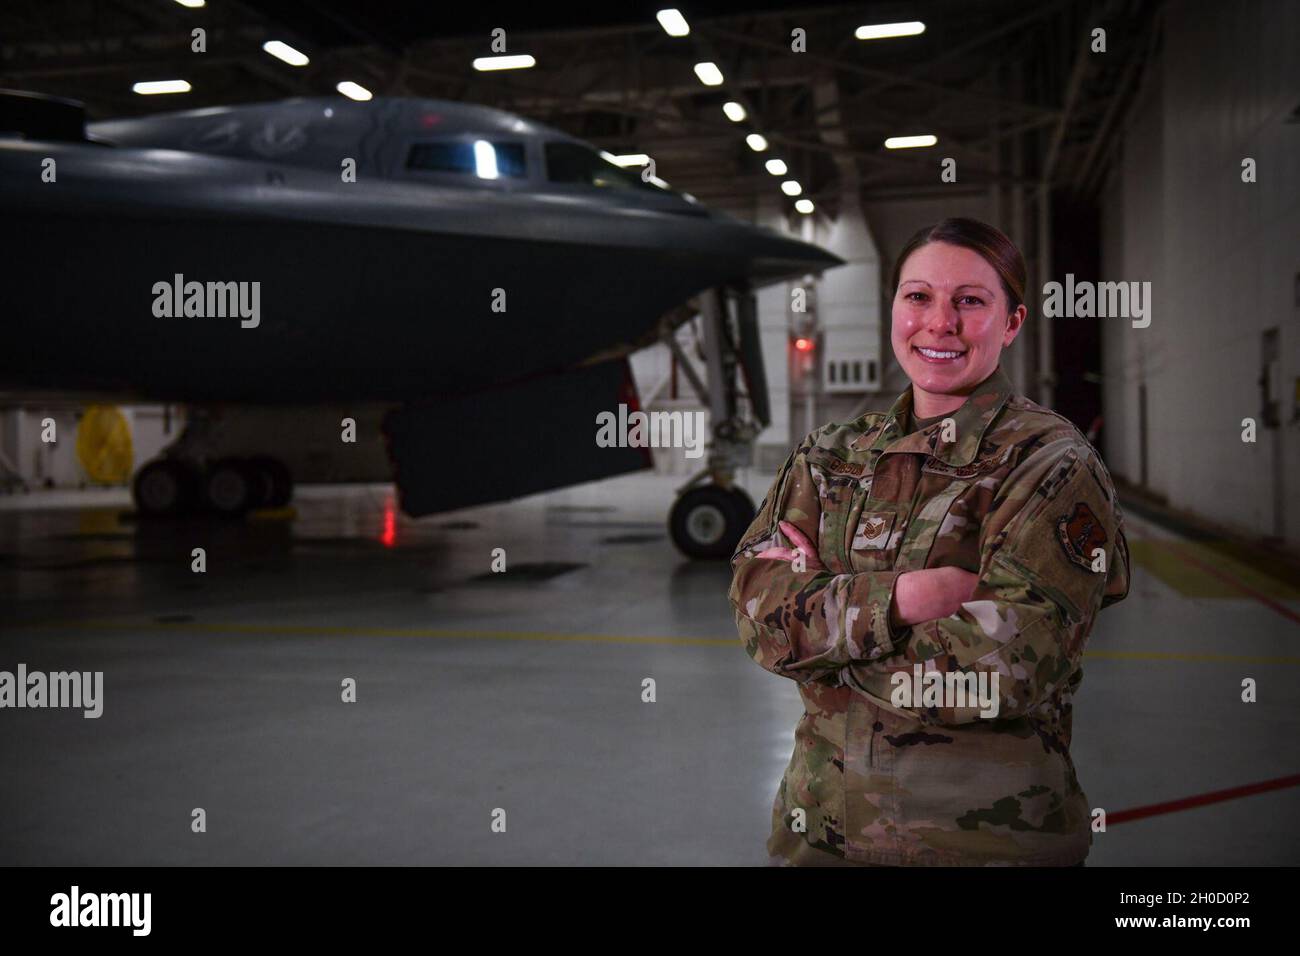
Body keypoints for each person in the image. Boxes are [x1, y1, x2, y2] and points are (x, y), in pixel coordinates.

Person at [729, 217, 1131, 866]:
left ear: (1011, 322)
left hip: (978, 844)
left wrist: (821, 637)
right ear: (894, 309)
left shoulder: (1050, 465)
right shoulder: (831, 455)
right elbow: (756, 614)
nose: (940, 322)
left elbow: (1005, 670)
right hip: (817, 833)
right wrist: (909, 598)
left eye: (970, 301)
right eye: (918, 296)